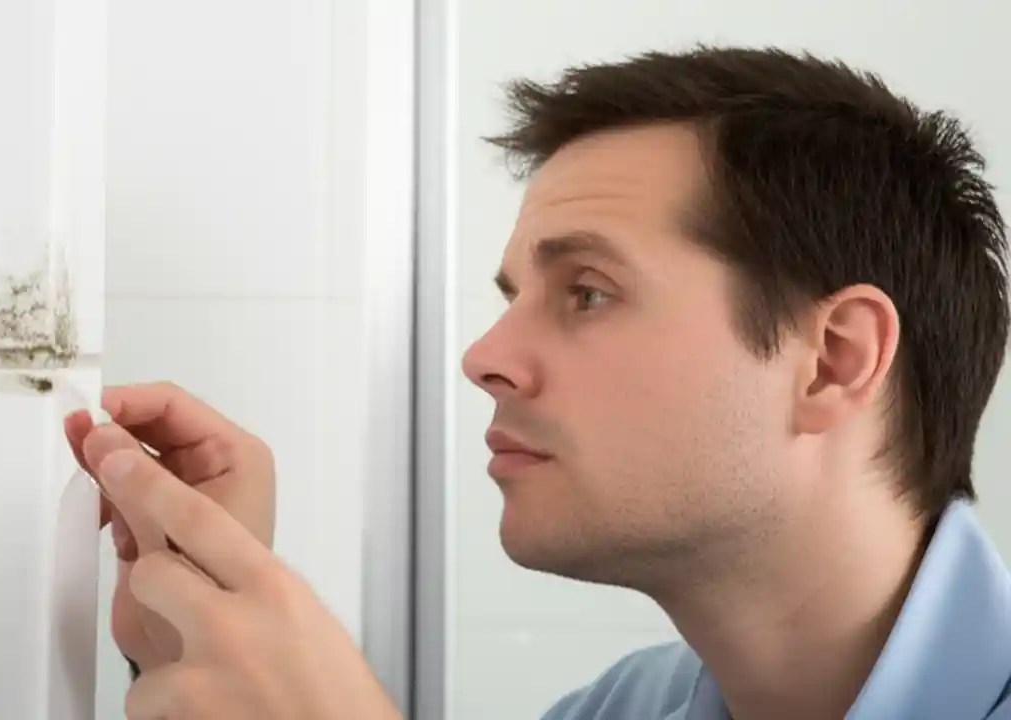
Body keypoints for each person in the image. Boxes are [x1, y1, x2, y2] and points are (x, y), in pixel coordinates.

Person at [65, 46, 1011, 719]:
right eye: (513, 297)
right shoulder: (615, 710)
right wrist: (197, 643)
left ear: (834, 358)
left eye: (587, 293)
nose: (484, 356)